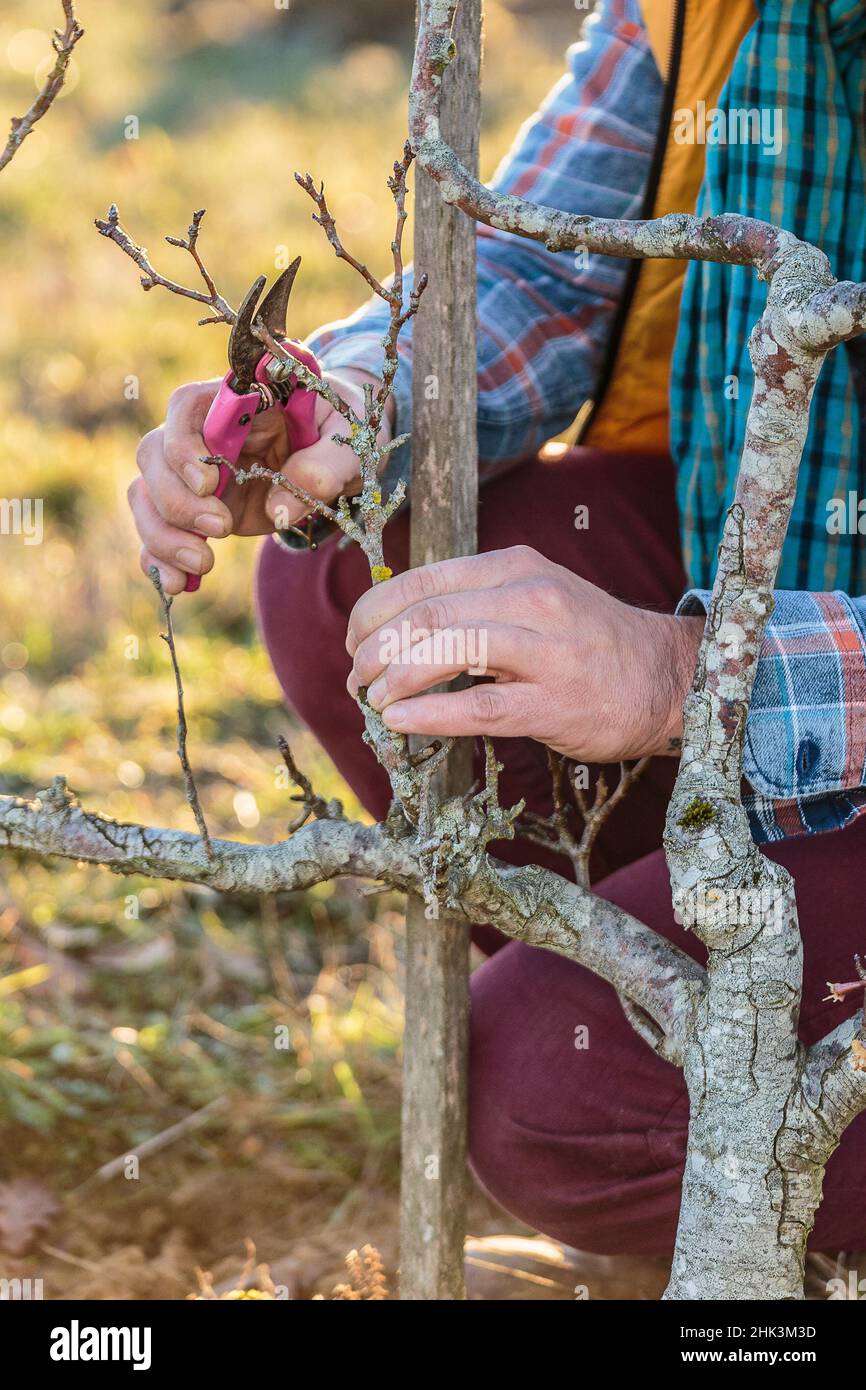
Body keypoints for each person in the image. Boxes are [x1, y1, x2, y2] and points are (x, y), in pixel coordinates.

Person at [128, 0, 866, 1265]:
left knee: (557, 1100)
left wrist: (689, 674)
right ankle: (712, 1007)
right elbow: (539, 264)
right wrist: (347, 413)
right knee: (367, 575)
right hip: (792, 588)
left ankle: (739, 1178)